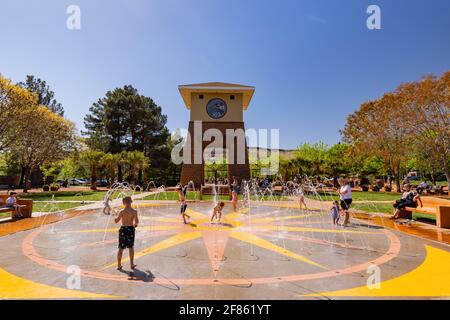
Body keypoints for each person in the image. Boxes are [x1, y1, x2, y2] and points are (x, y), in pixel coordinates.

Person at [114, 196, 139, 271]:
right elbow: (137, 222)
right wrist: (135, 225)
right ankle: (131, 264)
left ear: (123, 203)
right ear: (131, 202)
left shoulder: (121, 211)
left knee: (121, 248)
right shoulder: (134, 211)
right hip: (130, 229)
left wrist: (115, 216)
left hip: (123, 230)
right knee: (131, 247)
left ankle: (119, 265)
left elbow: (116, 221)